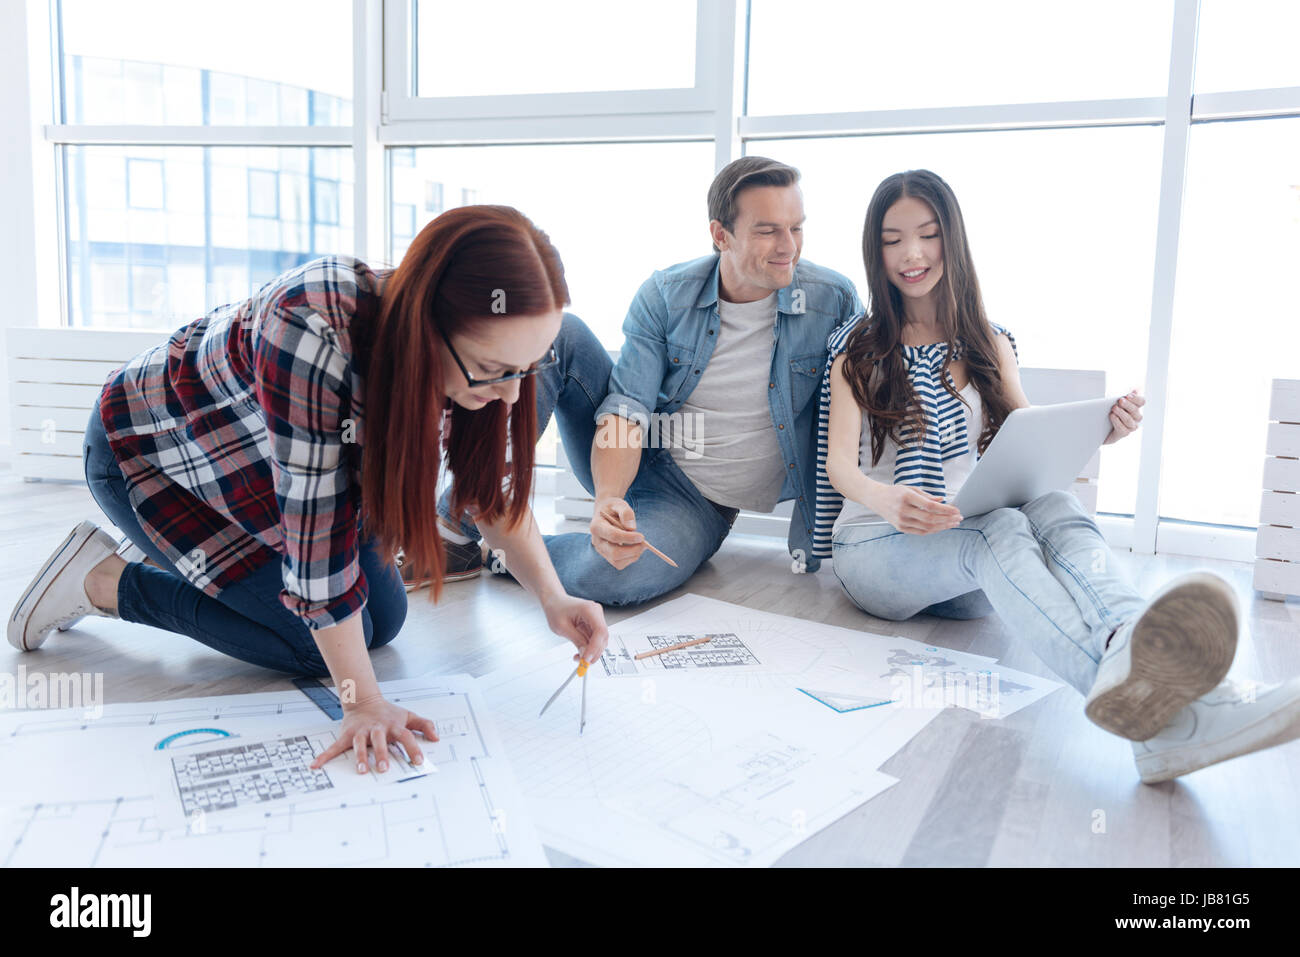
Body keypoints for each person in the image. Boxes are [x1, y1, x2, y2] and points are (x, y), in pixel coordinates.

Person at [8, 205, 610, 775]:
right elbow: (317, 548)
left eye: (526, 370)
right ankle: (103, 580)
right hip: (158, 460)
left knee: (382, 622)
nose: (510, 394)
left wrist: (553, 600)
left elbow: (490, 493)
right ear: (431, 324)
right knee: (307, 645)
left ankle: (195, 566)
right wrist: (361, 705)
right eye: (495, 370)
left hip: (265, 473)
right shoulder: (312, 323)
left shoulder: (491, 357)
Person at [817, 168, 1300, 783]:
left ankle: (1135, 643)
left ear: (952, 241)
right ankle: (1159, 696)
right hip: (877, 552)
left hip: (966, 558)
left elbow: (1027, 440)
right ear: (875, 249)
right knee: (1002, 533)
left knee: (1057, 508)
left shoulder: (991, 342)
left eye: (928, 234)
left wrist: (1105, 429)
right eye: (892, 239)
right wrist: (888, 501)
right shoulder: (856, 348)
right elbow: (838, 469)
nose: (912, 254)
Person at [432, 156, 863, 604]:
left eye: (796, 227)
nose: (787, 245)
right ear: (721, 235)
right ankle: (456, 525)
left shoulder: (832, 301)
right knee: (560, 332)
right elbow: (626, 409)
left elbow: (863, 415)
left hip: (695, 500)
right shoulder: (666, 295)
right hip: (631, 449)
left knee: (611, 577)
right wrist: (607, 501)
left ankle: (500, 551)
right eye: (767, 230)